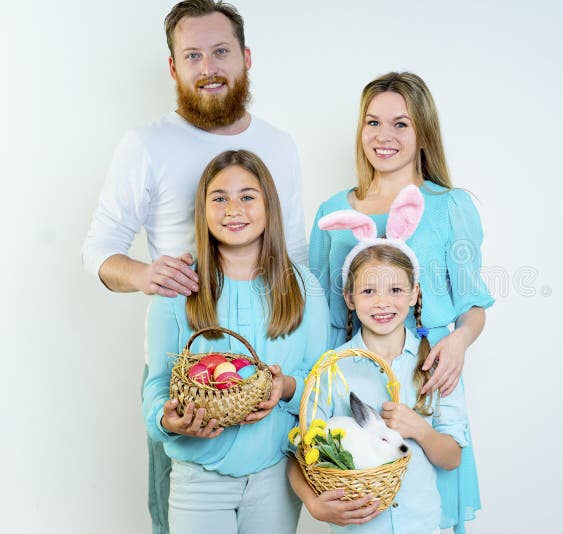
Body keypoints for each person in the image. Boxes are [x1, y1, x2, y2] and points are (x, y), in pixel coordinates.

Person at [82, 2, 306, 531]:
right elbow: (98, 247)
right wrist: (143, 275)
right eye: (193, 55)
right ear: (174, 67)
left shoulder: (279, 144)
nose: (209, 67)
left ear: (246, 58)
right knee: (176, 511)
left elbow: (295, 257)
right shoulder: (146, 144)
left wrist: (292, 374)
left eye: (221, 51)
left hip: (267, 369)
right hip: (183, 370)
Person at [309, 72, 494, 532]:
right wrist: (315, 388)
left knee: (424, 505)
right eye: (373, 123)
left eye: (401, 124)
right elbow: (323, 314)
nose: (383, 136)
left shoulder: (450, 206)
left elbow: (472, 303)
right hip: (354, 379)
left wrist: (458, 344)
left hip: (427, 376)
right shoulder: (333, 211)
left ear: (423, 132)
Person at [143, 150, 328, 534]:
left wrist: (287, 386)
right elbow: (158, 382)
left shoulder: (303, 288)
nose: (233, 209)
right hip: (198, 476)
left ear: (268, 206)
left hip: (275, 472)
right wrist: (167, 419)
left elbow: (321, 381)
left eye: (247, 196)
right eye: (219, 198)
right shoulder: (179, 287)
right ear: (203, 209)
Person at [290, 185, 467, 533]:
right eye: (369, 291)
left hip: (421, 524)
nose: (383, 303)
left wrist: (419, 429)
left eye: (396, 290)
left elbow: (452, 457)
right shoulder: (333, 368)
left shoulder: (436, 362)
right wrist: (313, 504)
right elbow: (301, 448)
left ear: (415, 293)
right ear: (350, 298)